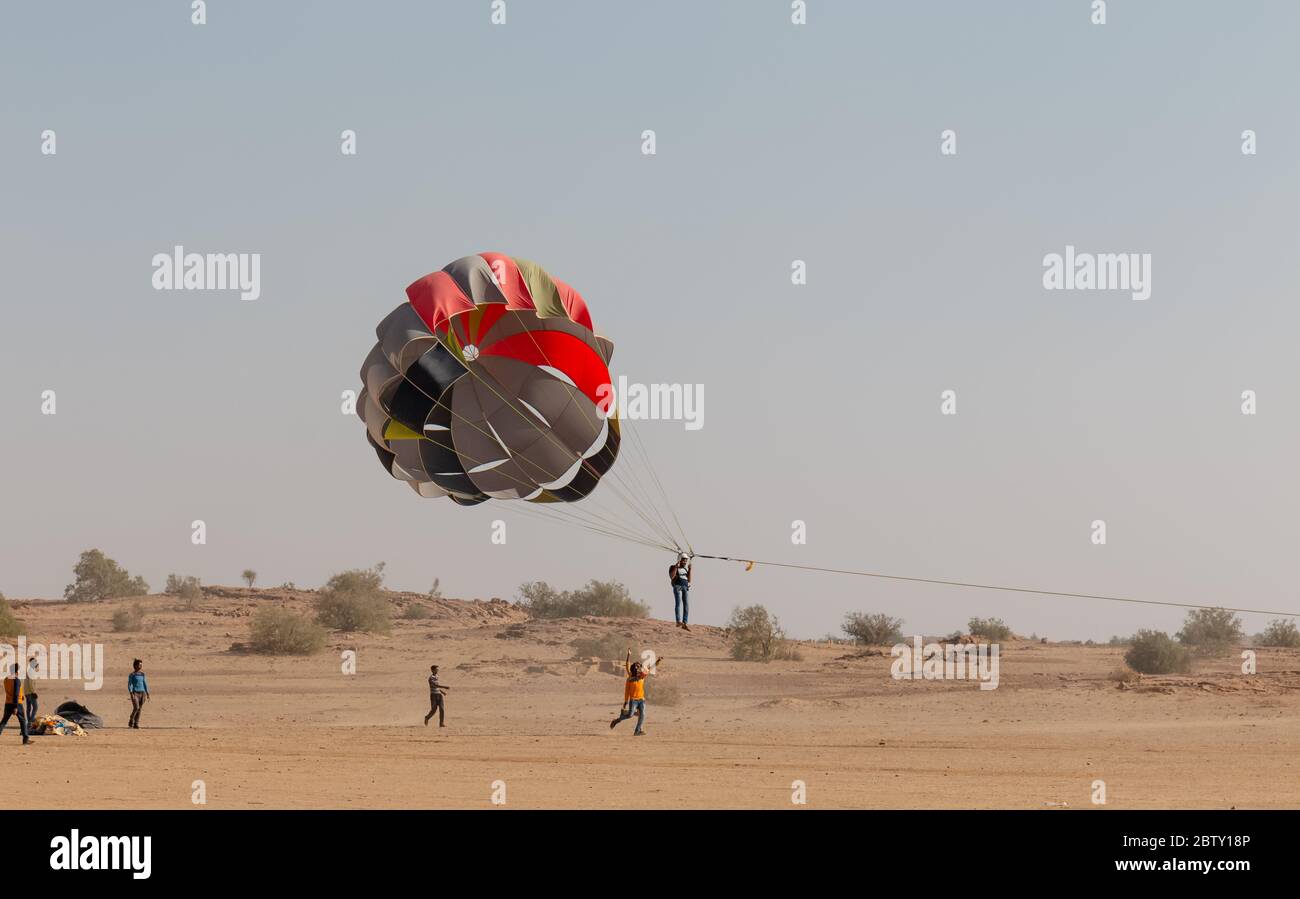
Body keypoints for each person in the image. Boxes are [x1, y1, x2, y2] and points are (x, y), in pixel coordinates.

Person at [609, 657, 664, 737]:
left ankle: (637, 731)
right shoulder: (630, 677)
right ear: (633, 669)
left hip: (641, 699)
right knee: (630, 715)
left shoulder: (643, 675)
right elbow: (627, 690)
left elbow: (651, 667)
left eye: (638, 666)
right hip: (633, 700)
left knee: (642, 715)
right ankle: (617, 720)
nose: (638, 668)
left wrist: (658, 661)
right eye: (636, 666)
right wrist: (625, 701)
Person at [1, 664, 30, 745]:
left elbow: (10, 691)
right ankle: (25, 739)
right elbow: (16, 693)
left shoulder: (6, 679)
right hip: (17, 704)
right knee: (23, 721)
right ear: (17, 672)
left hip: (8, 703)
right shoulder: (16, 680)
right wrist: (15, 706)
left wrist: (21, 696)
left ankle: (26, 739)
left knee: (4, 721)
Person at [668, 552, 692, 630]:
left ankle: (684, 622)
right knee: (678, 603)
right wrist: (676, 566)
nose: (685, 562)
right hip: (677, 586)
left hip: (685, 587)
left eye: (686, 560)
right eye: (683, 560)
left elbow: (689, 580)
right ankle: (678, 621)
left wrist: (690, 570)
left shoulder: (685, 569)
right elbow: (672, 576)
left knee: (686, 605)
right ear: (679, 560)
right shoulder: (673, 567)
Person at [127, 659, 150, 729]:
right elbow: (129, 684)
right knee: (136, 708)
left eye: (141, 664)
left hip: (142, 693)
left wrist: (147, 693)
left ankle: (136, 724)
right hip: (135, 693)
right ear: (135, 665)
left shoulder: (142, 674)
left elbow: (145, 683)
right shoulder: (132, 674)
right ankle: (131, 720)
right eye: (139, 664)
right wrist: (131, 693)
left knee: (139, 709)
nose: (141, 666)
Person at [24, 657, 38, 725]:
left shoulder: (29, 670)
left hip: (27, 692)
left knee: (29, 707)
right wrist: (33, 692)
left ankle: (29, 721)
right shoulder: (31, 671)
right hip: (30, 692)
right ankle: (31, 721)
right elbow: (30, 683)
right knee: (35, 707)